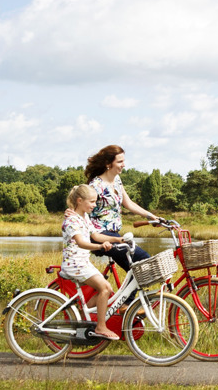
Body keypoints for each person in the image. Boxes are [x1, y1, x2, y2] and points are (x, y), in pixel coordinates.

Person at [62, 183, 132, 341]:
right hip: (74, 264)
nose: (95, 205)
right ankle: (101, 326)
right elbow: (80, 242)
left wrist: (118, 239)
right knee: (105, 289)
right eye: (92, 202)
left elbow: (96, 235)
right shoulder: (71, 221)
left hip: (82, 263)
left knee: (106, 288)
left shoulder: (84, 217)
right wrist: (100, 246)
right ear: (79, 201)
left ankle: (81, 314)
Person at [84, 144, 161, 271]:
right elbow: (83, 207)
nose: (123, 165)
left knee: (135, 271)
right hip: (100, 236)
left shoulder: (117, 180)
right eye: (120, 161)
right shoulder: (96, 186)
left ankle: (127, 292)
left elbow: (128, 203)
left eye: (123, 161)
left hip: (113, 234)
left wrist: (151, 216)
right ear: (108, 164)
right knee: (143, 258)